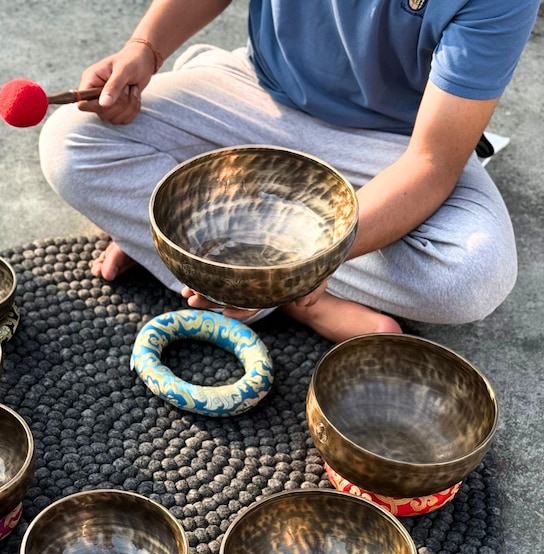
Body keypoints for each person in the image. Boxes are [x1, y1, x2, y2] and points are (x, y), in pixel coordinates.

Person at [38, 0, 540, 342]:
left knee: (474, 275)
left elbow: (431, 162)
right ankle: (290, 294)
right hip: (257, 93)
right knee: (70, 143)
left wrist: (304, 260)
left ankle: (197, 240)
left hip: (397, 147)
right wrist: (145, 47)